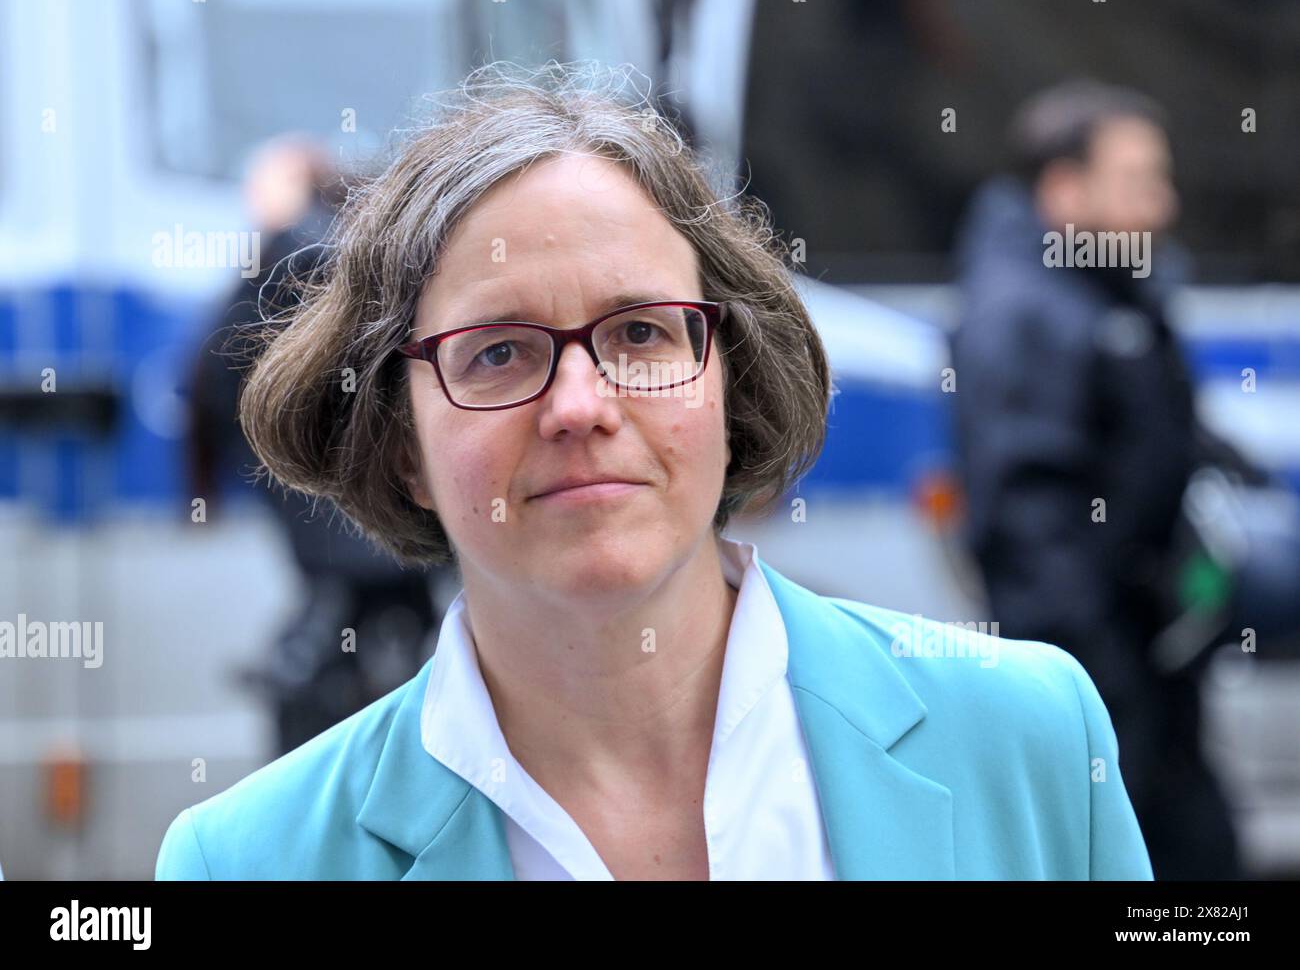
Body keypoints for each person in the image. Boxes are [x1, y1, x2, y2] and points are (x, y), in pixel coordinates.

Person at [156, 61, 1151, 880]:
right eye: (497, 352)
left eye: (638, 332)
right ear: (399, 442)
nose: (581, 406)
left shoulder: (1030, 738)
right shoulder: (248, 860)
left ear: (732, 382)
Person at [950, 78, 1241, 880]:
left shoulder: (1104, 293)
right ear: (1065, 190)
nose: (1164, 205)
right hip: (1102, 674)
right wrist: (1096, 686)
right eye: (1140, 182)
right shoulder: (1027, 317)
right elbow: (1027, 525)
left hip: (1147, 654)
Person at [187, 134, 440, 755]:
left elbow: (205, 375)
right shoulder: (374, 249)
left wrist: (209, 479)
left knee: (336, 627)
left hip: (336, 505)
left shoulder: (289, 252)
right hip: (391, 507)